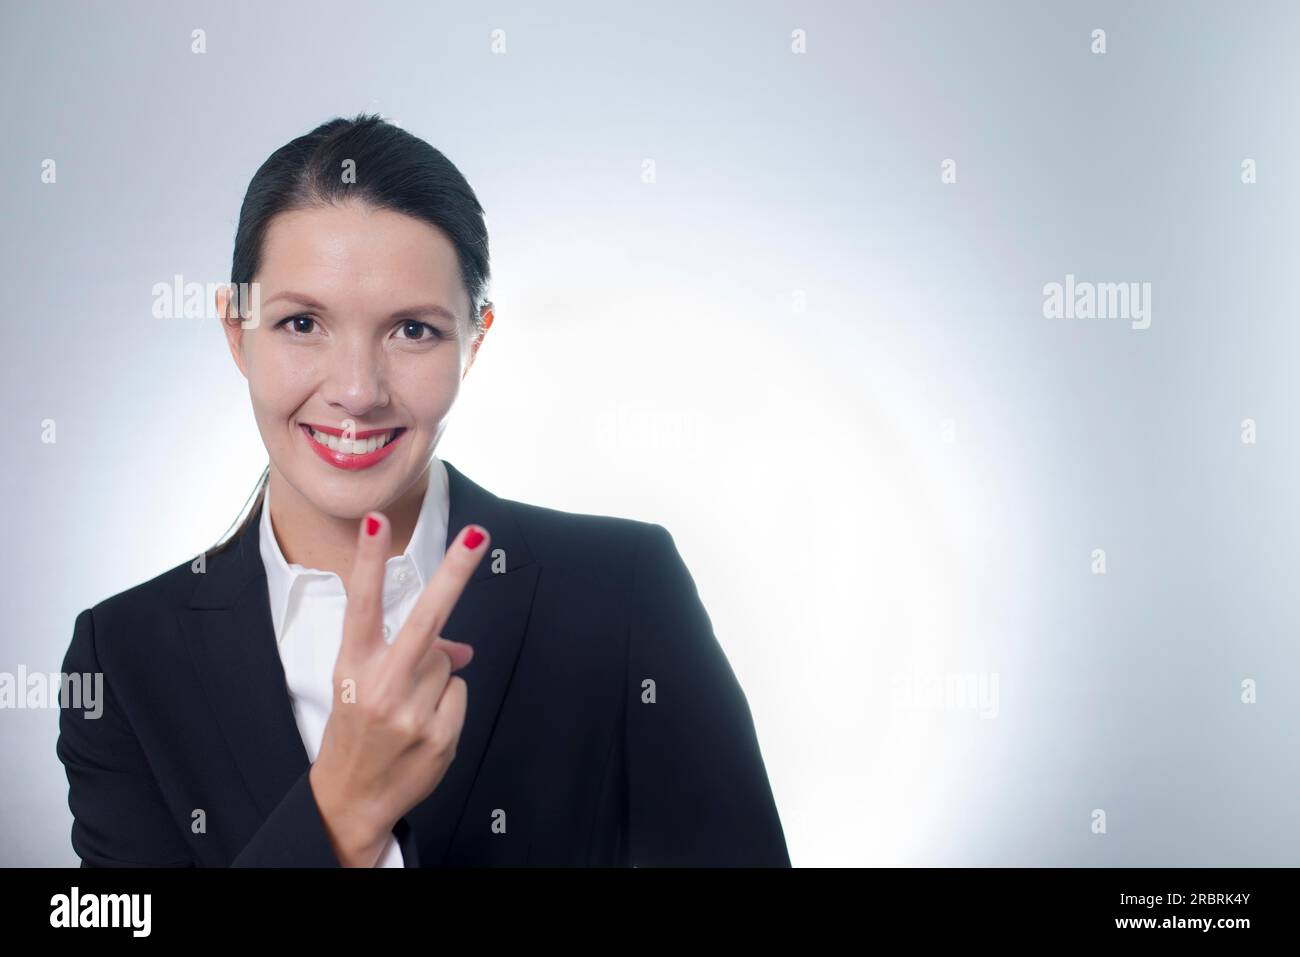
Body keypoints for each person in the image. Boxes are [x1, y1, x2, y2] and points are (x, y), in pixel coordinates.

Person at [56, 114, 790, 867]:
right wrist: (340, 809)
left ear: (476, 341)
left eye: (413, 330)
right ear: (236, 331)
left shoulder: (623, 588)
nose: (356, 391)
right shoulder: (122, 659)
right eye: (302, 321)